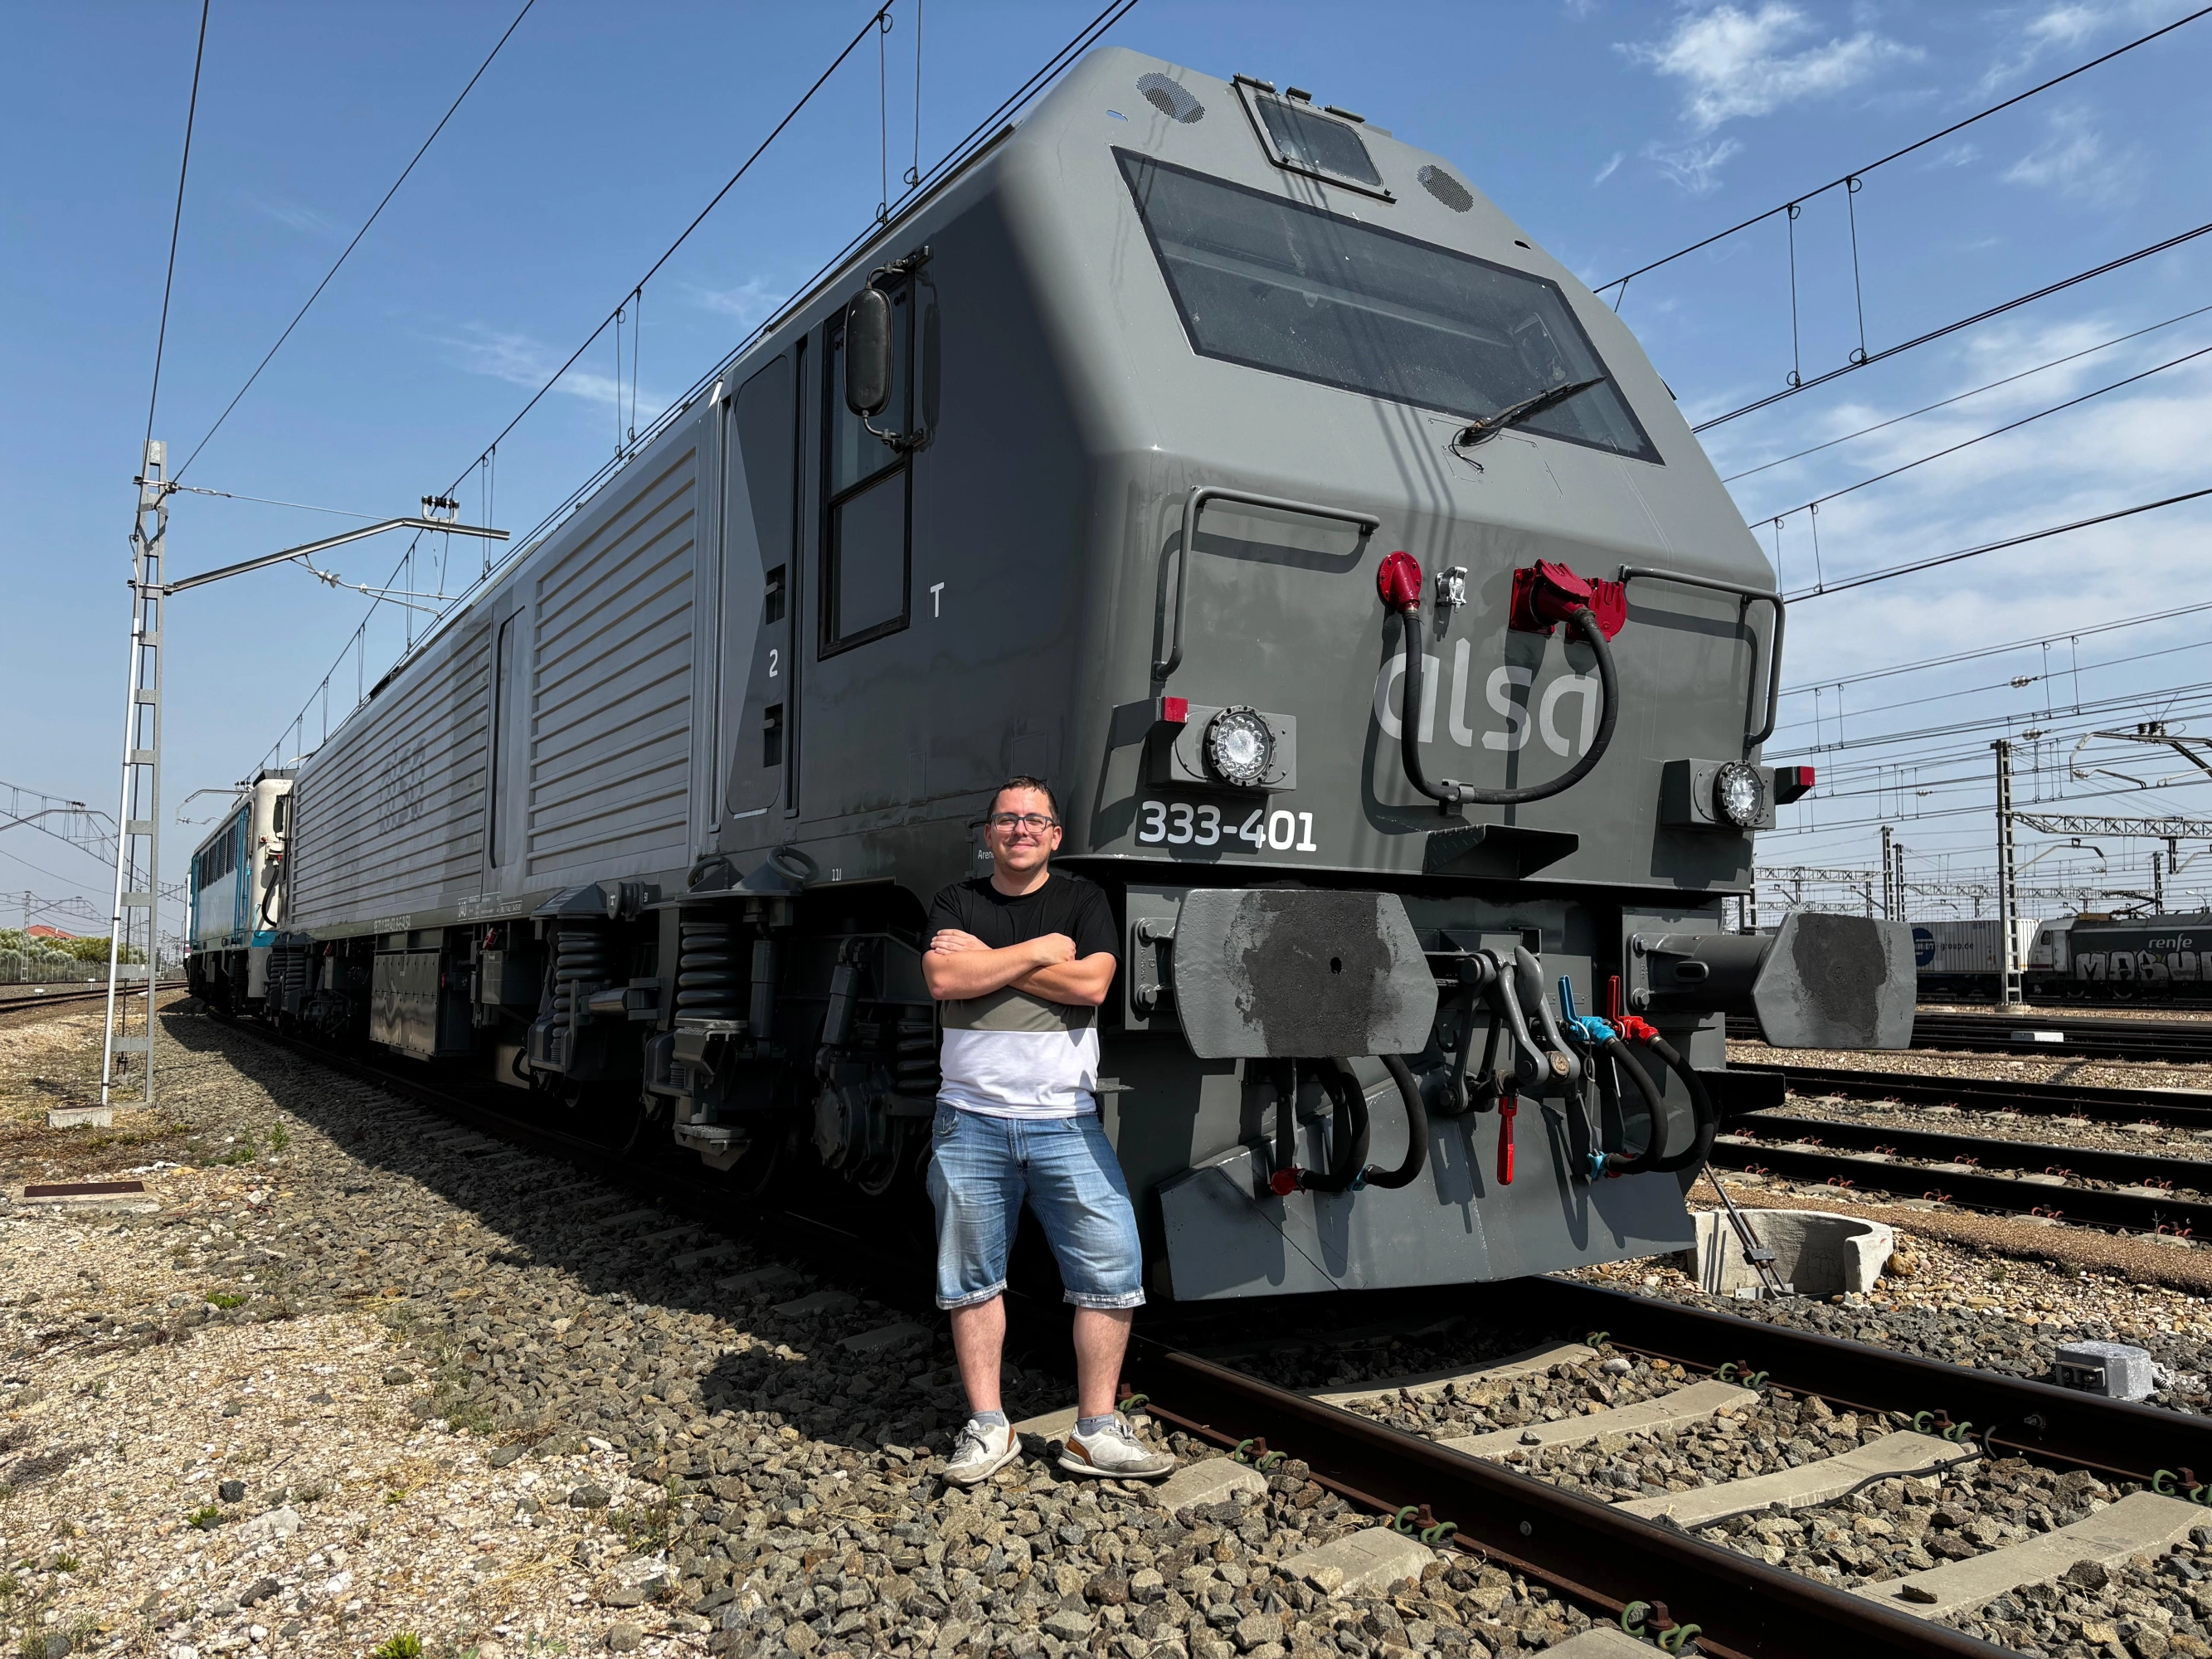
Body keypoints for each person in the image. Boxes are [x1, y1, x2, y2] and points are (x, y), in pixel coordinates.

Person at [921, 776, 1175, 1486]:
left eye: (1035, 820)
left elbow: (1091, 986)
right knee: (971, 1279)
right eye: (1007, 819)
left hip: (1064, 1120)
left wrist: (989, 964)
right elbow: (943, 980)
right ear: (988, 833)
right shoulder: (954, 901)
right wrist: (1040, 955)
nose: (1021, 829)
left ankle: (1094, 1430)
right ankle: (988, 1427)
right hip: (968, 1119)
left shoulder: (1083, 901)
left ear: (1056, 836)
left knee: (1110, 1268)